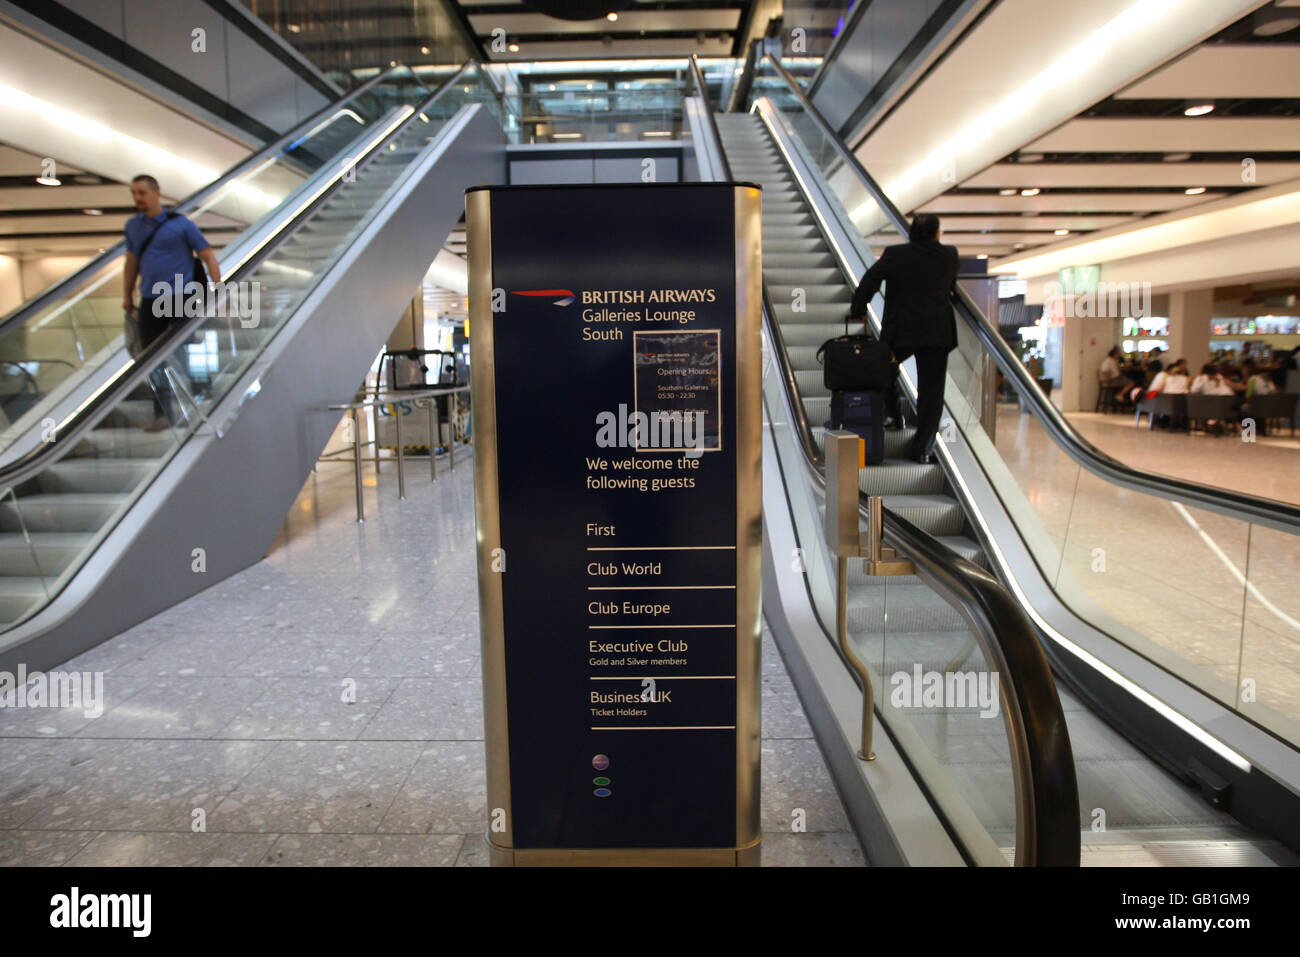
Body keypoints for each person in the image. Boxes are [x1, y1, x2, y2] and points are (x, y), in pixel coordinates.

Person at [847, 213, 958, 464]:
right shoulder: (949, 255)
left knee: (882, 371)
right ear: (936, 233)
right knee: (931, 392)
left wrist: (858, 309)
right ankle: (922, 448)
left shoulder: (895, 254)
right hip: (936, 333)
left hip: (901, 332)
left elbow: (871, 279)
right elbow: (951, 283)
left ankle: (893, 415)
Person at [122, 174, 221, 429]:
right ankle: (163, 413)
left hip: (181, 295)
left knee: (183, 349)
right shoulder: (133, 226)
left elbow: (207, 255)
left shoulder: (181, 225)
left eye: (142, 192)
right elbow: (132, 261)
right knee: (151, 357)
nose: (137, 198)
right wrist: (126, 295)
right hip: (150, 298)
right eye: (134, 193)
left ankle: (201, 396)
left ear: (157, 193)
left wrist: (218, 287)